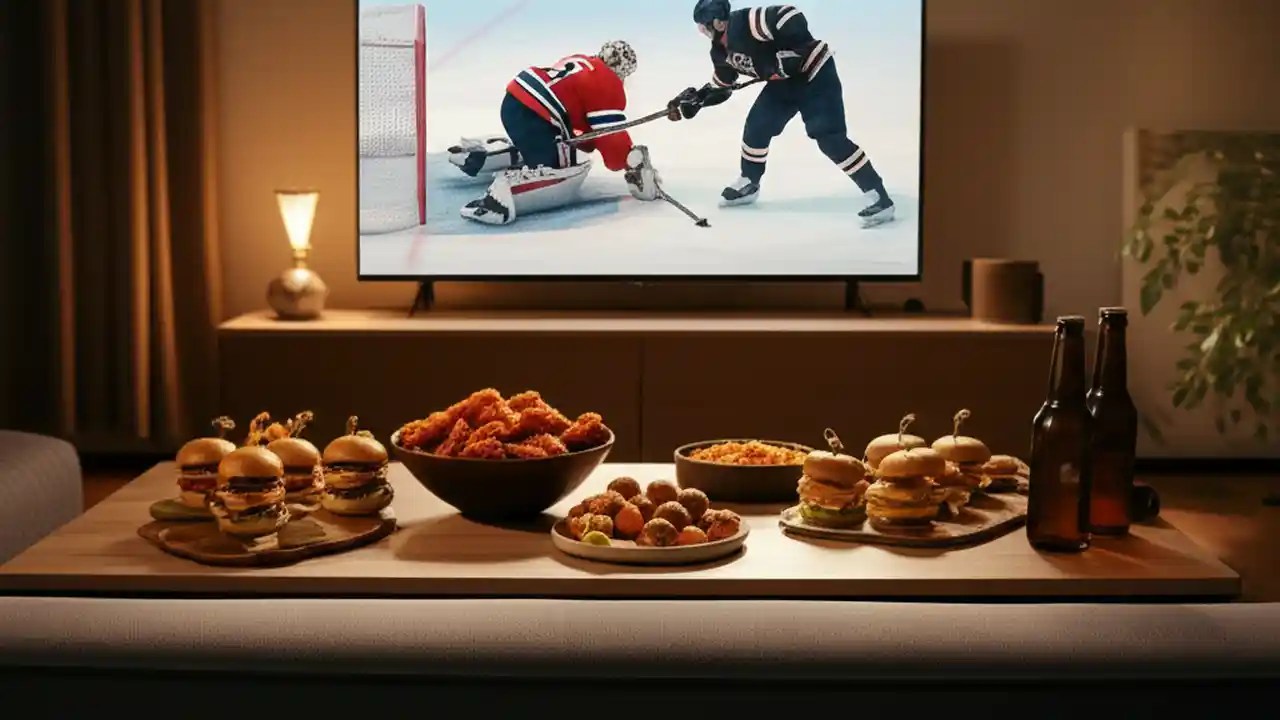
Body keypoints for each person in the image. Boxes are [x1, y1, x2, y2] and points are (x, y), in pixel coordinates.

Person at [668, 1, 894, 227]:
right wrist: (699, 99)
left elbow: (788, 14)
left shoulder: (748, 23)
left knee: (829, 138)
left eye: (704, 26)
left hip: (815, 74)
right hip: (784, 83)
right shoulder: (720, 52)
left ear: (718, 23)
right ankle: (749, 182)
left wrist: (794, 52)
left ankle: (879, 197)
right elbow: (723, 86)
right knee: (757, 127)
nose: (702, 31)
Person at [457, 40, 662, 226]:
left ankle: (486, 155)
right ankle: (500, 199)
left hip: (514, 102)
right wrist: (627, 159)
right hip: (538, 117)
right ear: (622, 70)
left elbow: (575, 114)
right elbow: (611, 138)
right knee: (561, 167)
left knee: (544, 145)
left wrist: (589, 141)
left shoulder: (580, 60)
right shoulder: (608, 83)